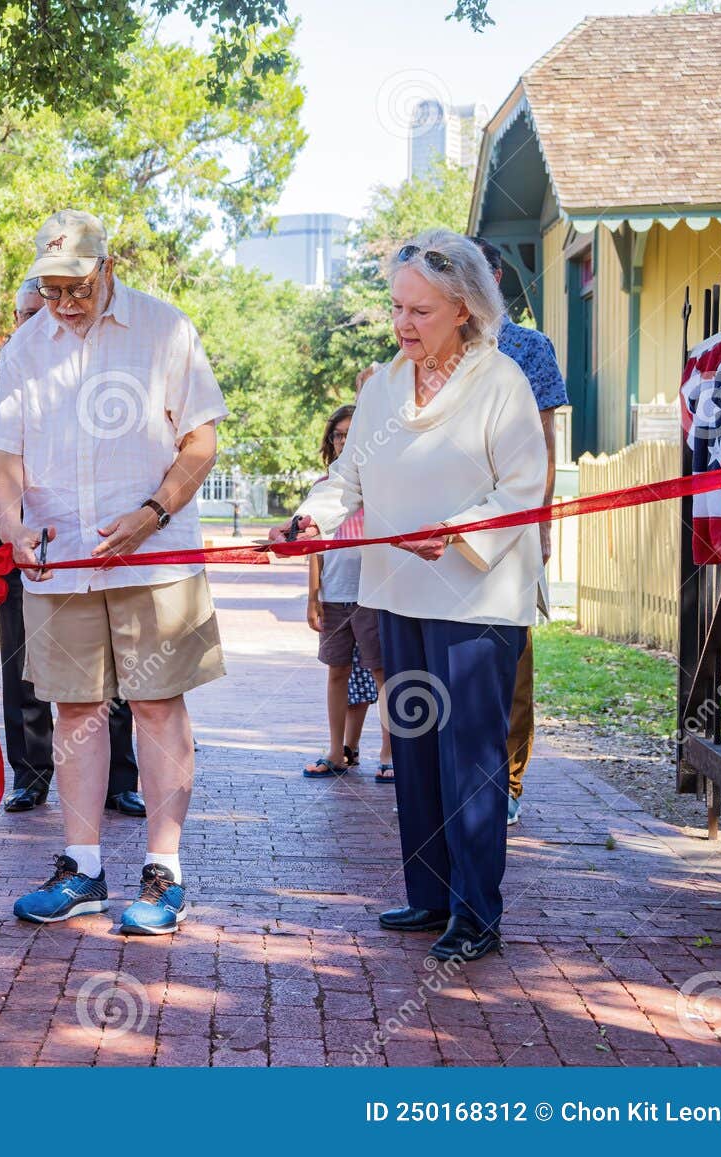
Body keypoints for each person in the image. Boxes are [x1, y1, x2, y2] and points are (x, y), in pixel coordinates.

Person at [284, 229, 546, 962]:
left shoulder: (501, 384)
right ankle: (430, 893)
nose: (403, 324)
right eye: (397, 307)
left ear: (463, 307)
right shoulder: (384, 388)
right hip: (395, 591)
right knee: (418, 749)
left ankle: (476, 911)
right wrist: (312, 517)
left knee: (472, 756)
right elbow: (348, 481)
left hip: (476, 599)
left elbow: (524, 487)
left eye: (420, 311)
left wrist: (458, 531)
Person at [0, 210, 226, 936]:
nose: (64, 302)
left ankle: (164, 873)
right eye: (51, 288)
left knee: (157, 705)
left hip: (153, 557)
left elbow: (201, 440)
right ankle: (83, 867)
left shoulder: (166, 329)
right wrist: (12, 525)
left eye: (77, 287)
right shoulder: (25, 348)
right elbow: (4, 459)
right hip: (60, 565)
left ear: (109, 267)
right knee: (76, 710)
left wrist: (154, 511)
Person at [0, 278, 145, 817]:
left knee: (109, 664)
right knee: (23, 659)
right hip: (23, 536)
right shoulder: (0, 372)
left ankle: (119, 778)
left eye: (40, 311)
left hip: (95, 538)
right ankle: (32, 772)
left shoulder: (93, 364)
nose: (36, 322)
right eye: (26, 313)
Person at [473, 236, 568, 826]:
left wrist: (543, 521)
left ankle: (507, 782)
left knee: (512, 660)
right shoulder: (430, 344)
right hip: (441, 533)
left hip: (511, 526)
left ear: (498, 276)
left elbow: (545, 444)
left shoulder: (530, 348)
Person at [302, 404, 390, 781]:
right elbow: (314, 547)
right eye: (338, 435)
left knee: (383, 672)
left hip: (373, 591)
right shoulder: (322, 489)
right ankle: (337, 751)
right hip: (335, 592)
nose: (343, 441)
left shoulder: (382, 484)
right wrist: (313, 595)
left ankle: (389, 752)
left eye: (351, 434)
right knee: (336, 672)